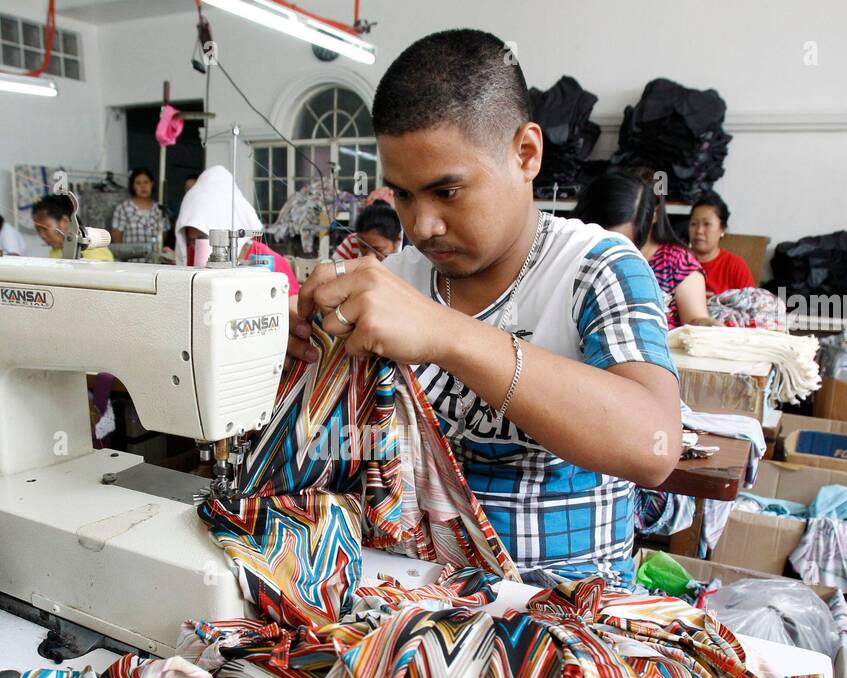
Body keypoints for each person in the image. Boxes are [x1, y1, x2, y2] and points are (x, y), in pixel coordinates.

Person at [286, 30, 680, 589]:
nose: (421, 227)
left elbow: (654, 447)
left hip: (567, 615)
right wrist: (294, 359)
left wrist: (447, 334)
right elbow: (339, 451)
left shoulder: (596, 268)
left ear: (526, 154)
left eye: (446, 192)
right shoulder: (395, 282)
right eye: (402, 194)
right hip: (419, 600)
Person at [577, 168, 716, 328]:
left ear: (654, 214)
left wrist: (707, 327)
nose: (611, 250)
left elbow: (695, 321)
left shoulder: (676, 262)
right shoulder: (580, 250)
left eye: (622, 241)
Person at [175, 165, 299, 293]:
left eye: (204, 239)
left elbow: (297, 310)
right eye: (191, 241)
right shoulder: (193, 256)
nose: (196, 247)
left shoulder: (269, 263)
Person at [689, 191, 755, 295]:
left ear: (722, 229)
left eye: (707, 224)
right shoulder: (676, 262)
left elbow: (750, 304)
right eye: (693, 224)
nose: (699, 231)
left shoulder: (735, 266)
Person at [110, 166, 170, 262]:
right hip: (131, 265)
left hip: (154, 264)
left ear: (152, 184)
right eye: (138, 183)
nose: (143, 186)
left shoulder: (160, 210)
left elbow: (163, 238)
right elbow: (117, 242)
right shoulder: (123, 208)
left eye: (146, 182)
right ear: (133, 186)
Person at [31, 194, 114, 260]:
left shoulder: (93, 252)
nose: (42, 235)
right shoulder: (55, 252)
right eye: (38, 230)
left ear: (64, 222)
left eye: (45, 228)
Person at [333, 201, 404, 261]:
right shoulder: (352, 242)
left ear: (397, 241)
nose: (369, 258)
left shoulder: (410, 256)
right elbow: (331, 273)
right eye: (363, 246)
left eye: (378, 250)